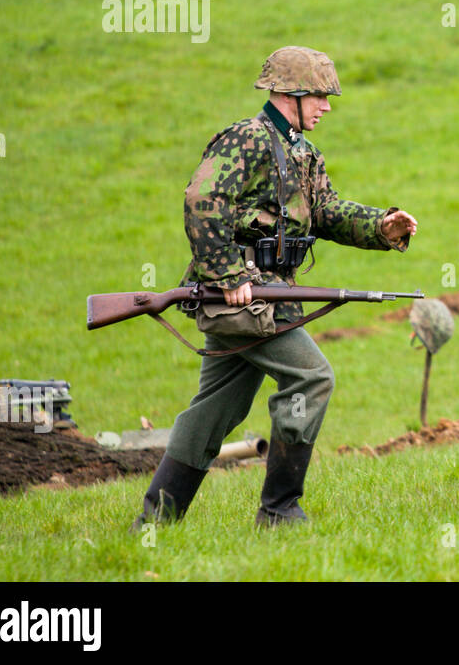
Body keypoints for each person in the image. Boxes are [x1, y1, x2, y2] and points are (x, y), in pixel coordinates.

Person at [133, 46, 418, 530]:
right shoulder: (247, 139)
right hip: (246, 296)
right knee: (313, 377)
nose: (327, 106)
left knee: (215, 410)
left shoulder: (302, 152)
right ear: (292, 94)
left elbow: (324, 211)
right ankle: (279, 509)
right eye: (321, 96)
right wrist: (228, 275)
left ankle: (155, 522)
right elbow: (202, 198)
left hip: (266, 293)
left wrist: (380, 226)